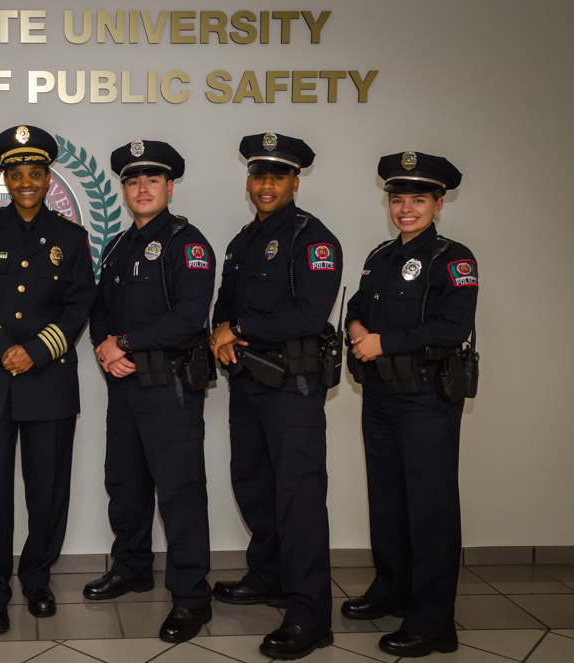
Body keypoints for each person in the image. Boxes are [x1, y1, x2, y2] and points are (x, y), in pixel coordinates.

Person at [0, 125, 95, 635]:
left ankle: (36, 580)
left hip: (49, 380)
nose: (26, 181)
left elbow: (80, 306)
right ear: (4, 179)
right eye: (17, 173)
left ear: (48, 178)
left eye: (36, 173)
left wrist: (33, 352)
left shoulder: (72, 238)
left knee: (48, 491)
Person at [209, 132, 342, 659]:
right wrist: (221, 327)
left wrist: (236, 326)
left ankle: (310, 616)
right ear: (249, 181)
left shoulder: (314, 239)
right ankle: (268, 577)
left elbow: (310, 316)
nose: (266, 185)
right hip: (249, 384)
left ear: (295, 181)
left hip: (292, 388)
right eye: (259, 176)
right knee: (255, 486)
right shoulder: (244, 239)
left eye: (277, 176)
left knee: (299, 500)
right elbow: (225, 300)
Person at [341, 152, 476, 658]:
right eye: (398, 199)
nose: (406, 208)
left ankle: (434, 621)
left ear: (439, 203)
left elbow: (450, 327)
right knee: (389, 500)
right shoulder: (381, 255)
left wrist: (384, 342)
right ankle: (392, 589)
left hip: (425, 398)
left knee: (431, 508)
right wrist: (357, 331)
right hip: (379, 394)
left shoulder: (453, 258)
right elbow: (357, 307)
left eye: (418, 199)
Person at [84, 140, 216, 643]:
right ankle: (132, 567)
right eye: (133, 181)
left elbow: (189, 318)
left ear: (169, 186)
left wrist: (126, 342)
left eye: (152, 180)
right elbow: (99, 307)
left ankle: (191, 597)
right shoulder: (118, 245)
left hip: (170, 386)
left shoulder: (188, 242)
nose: (142, 189)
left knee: (179, 492)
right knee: (125, 482)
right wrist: (103, 346)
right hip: (125, 384)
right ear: (123, 189)